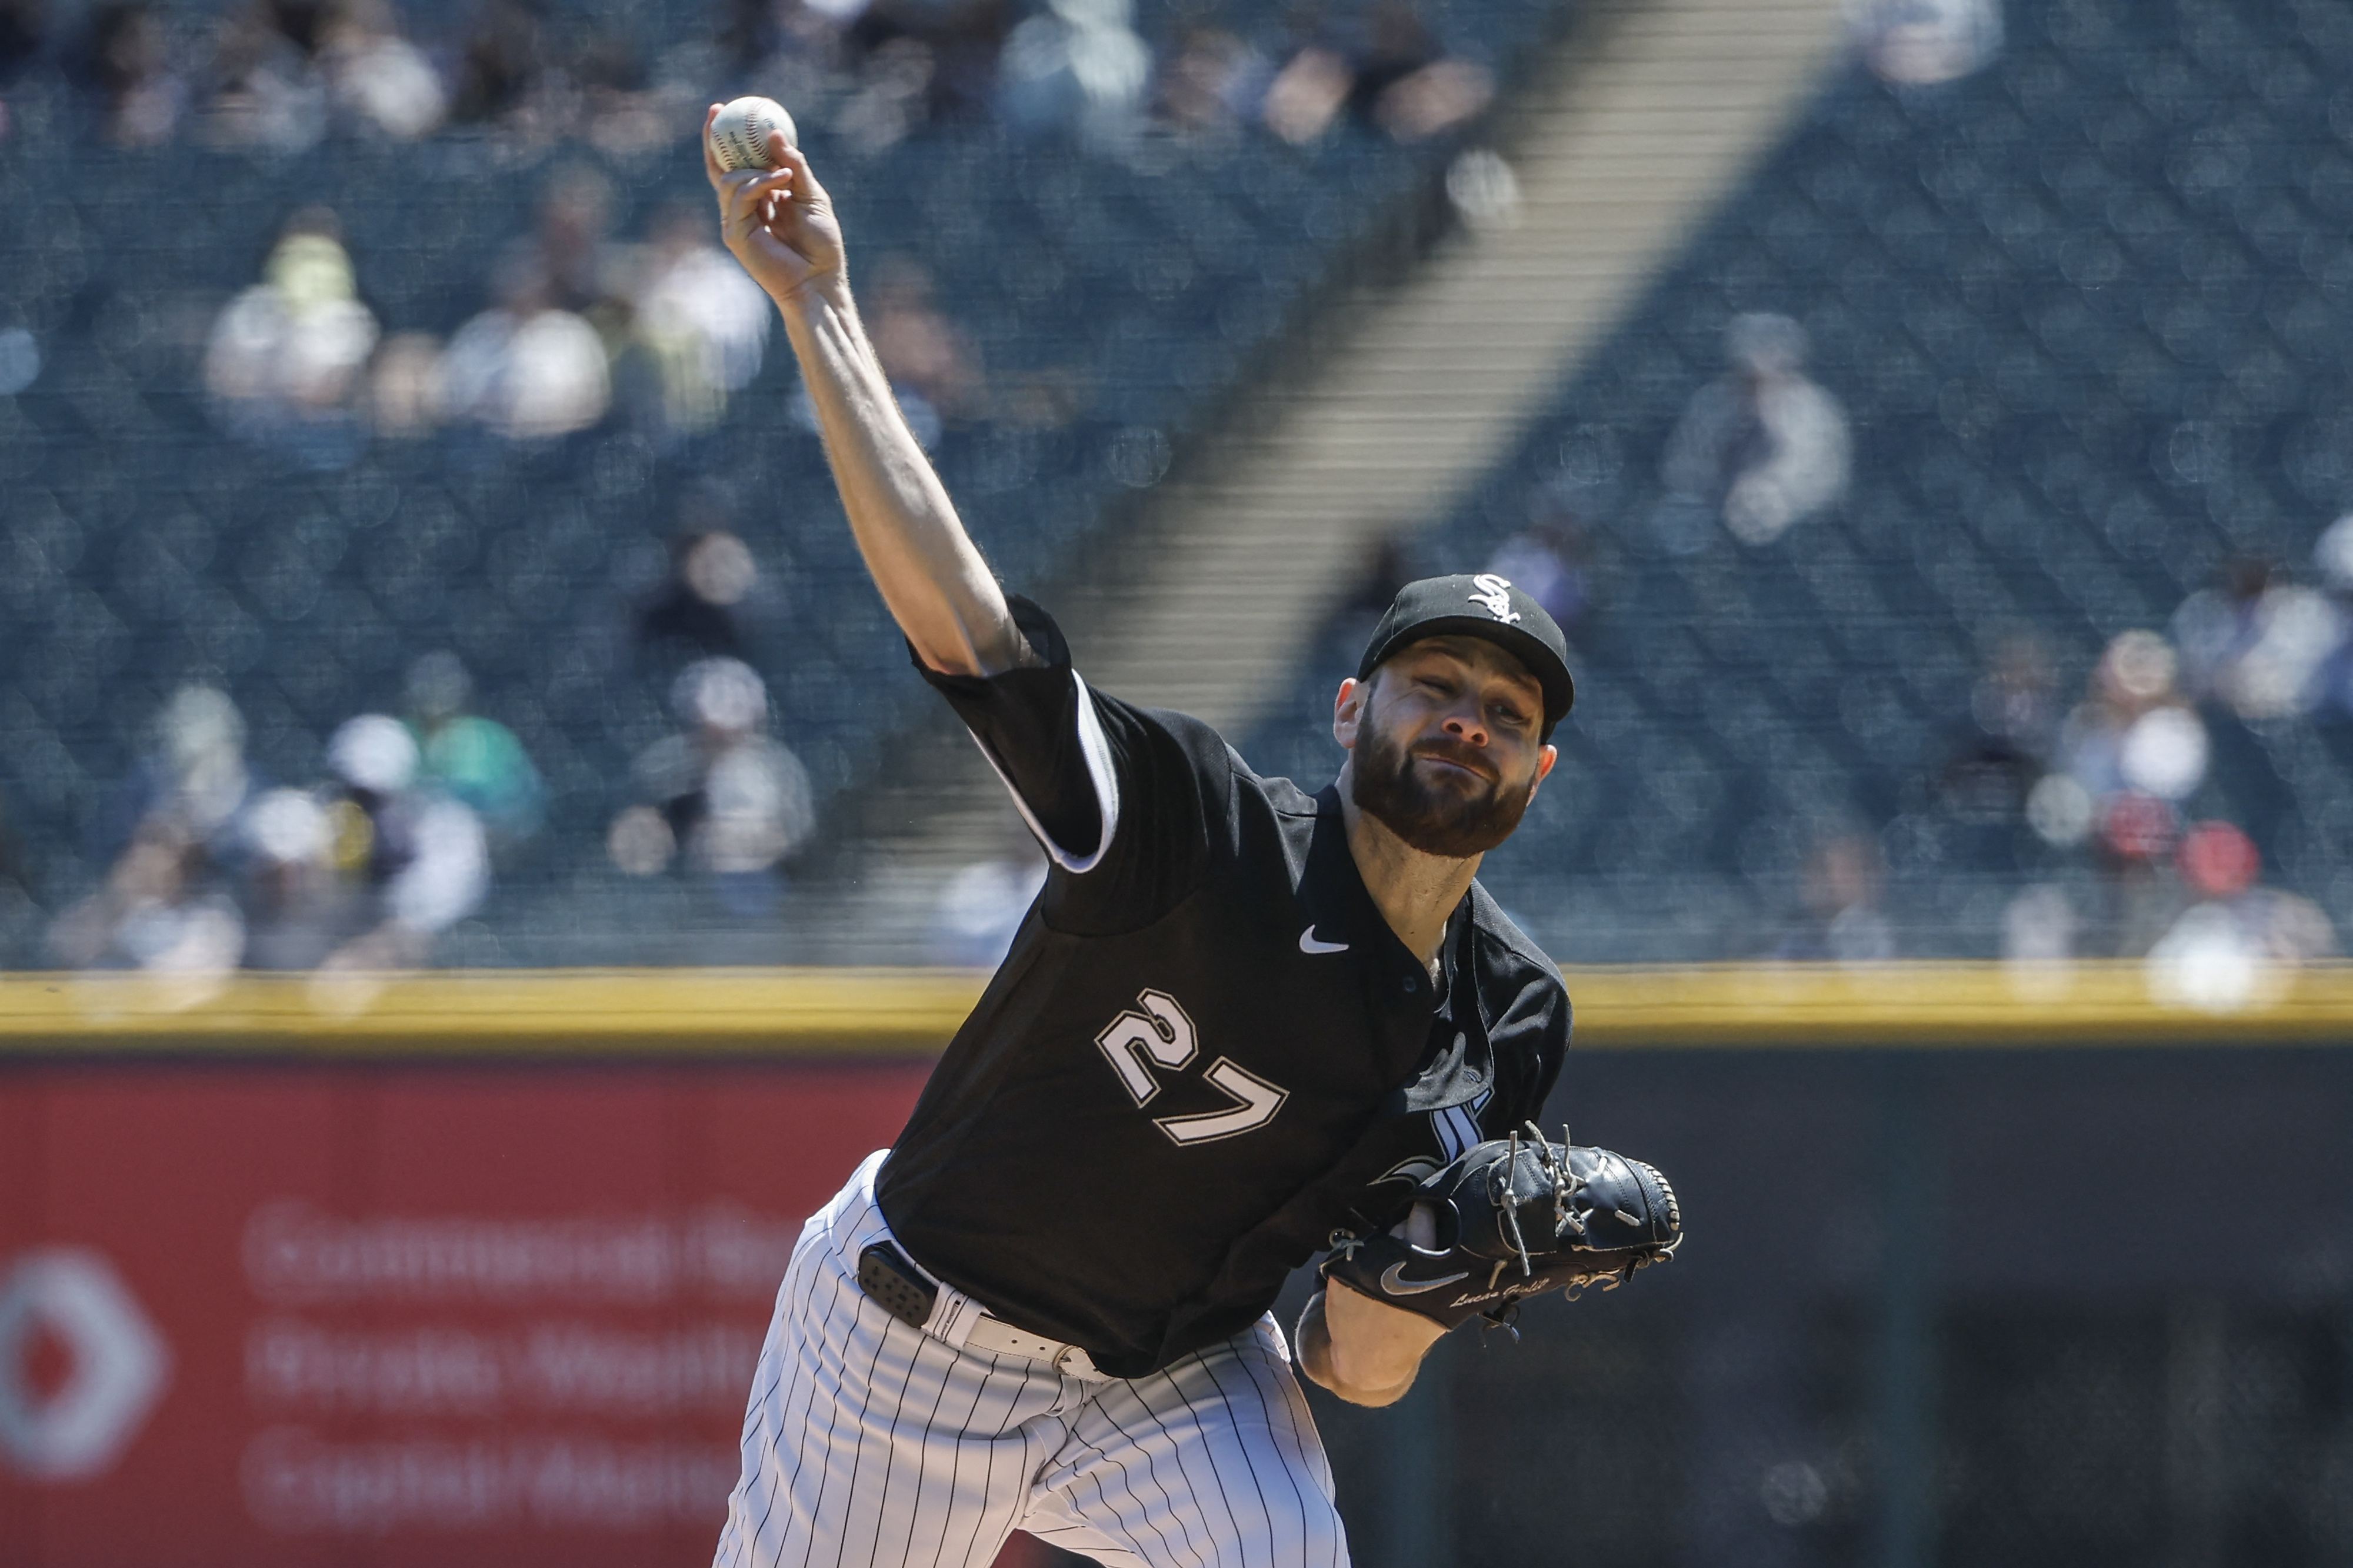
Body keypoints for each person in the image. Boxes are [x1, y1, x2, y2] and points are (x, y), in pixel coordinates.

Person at [701, 112, 1675, 1567]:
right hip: (914, 1339)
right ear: (1350, 709)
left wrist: (1422, 1278)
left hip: (1179, 1380)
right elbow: (968, 634)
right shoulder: (1193, 826)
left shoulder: (1509, 1017)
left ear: (1540, 768)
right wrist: (820, 306)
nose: (1465, 719)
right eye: (1433, 686)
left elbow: (1351, 1366)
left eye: (1503, 708)